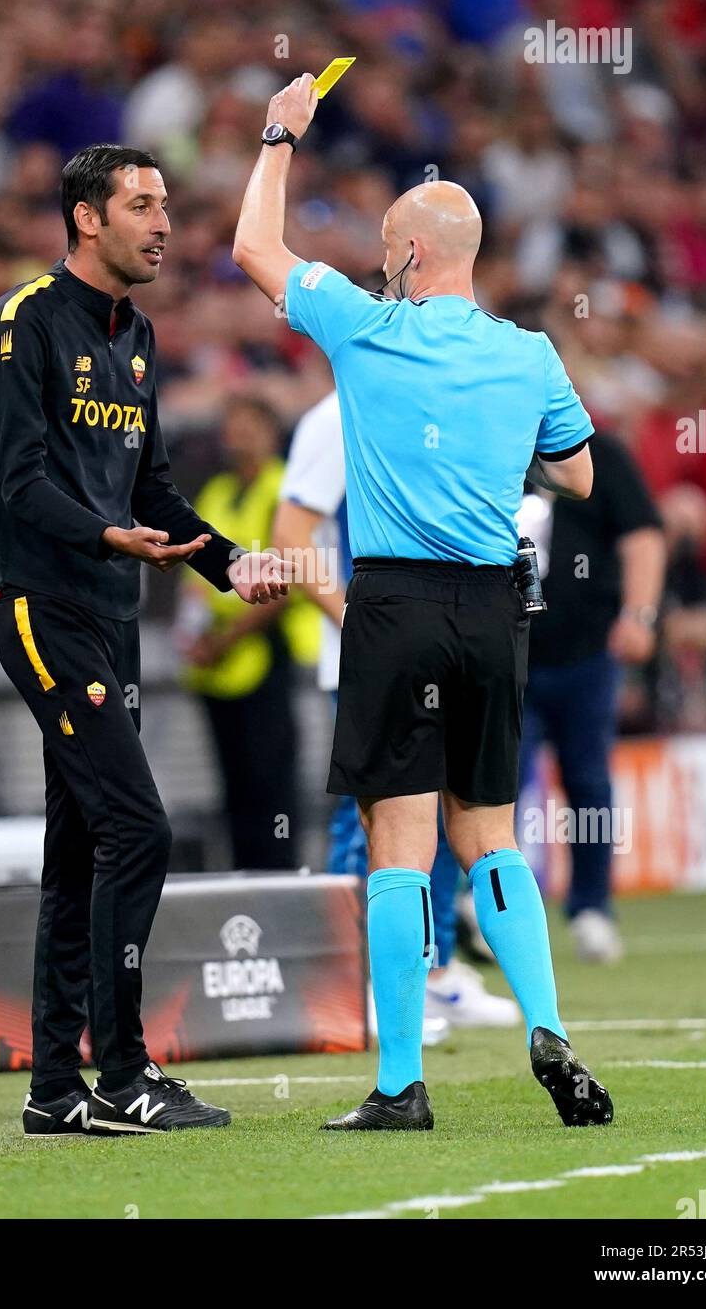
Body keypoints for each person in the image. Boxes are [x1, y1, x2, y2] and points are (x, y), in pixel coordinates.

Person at [233, 74, 612, 1132]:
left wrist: (278, 136)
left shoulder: (366, 327)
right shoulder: (528, 351)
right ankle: (548, 1023)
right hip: (496, 606)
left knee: (398, 843)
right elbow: (579, 474)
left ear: (408, 255)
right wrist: (503, 469)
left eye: (386, 248)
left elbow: (255, 251)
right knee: (488, 831)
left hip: (394, 601)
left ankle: (401, 1082)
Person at [0, 143, 290, 1137]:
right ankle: (121, 1070)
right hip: (42, 607)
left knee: (78, 849)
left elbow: (150, 487)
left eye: (165, 206)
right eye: (143, 206)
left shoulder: (138, 334)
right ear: (86, 219)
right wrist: (101, 533)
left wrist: (228, 562)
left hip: (114, 617)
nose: (164, 224)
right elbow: (17, 481)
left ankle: (52, 1090)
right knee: (139, 829)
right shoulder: (21, 322)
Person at [274, 388, 519, 1031]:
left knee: (444, 817)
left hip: (433, 650)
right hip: (367, 660)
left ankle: (430, 972)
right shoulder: (336, 415)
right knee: (374, 826)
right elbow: (292, 536)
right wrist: (360, 625)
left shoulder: (415, 407)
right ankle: (354, 986)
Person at [518, 432, 665, 962]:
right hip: (507, 656)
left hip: (586, 652)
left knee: (587, 781)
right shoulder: (487, 440)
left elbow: (642, 535)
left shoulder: (599, 451)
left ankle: (591, 907)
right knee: (496, 784)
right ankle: (487, 910)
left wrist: (639, 614)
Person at [178, 396, 318, 870]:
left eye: (249, 425)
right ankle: (244, 877)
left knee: (271, 779)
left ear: (271, 433)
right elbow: (193, 570)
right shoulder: (217, 490)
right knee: (233, 783)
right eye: (231, 425)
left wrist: (226, 638)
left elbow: (288, 581)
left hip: (263, 655)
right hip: (217, 668)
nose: (237, 435)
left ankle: (278, 875)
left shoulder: (284, 488)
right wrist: (194, 636)